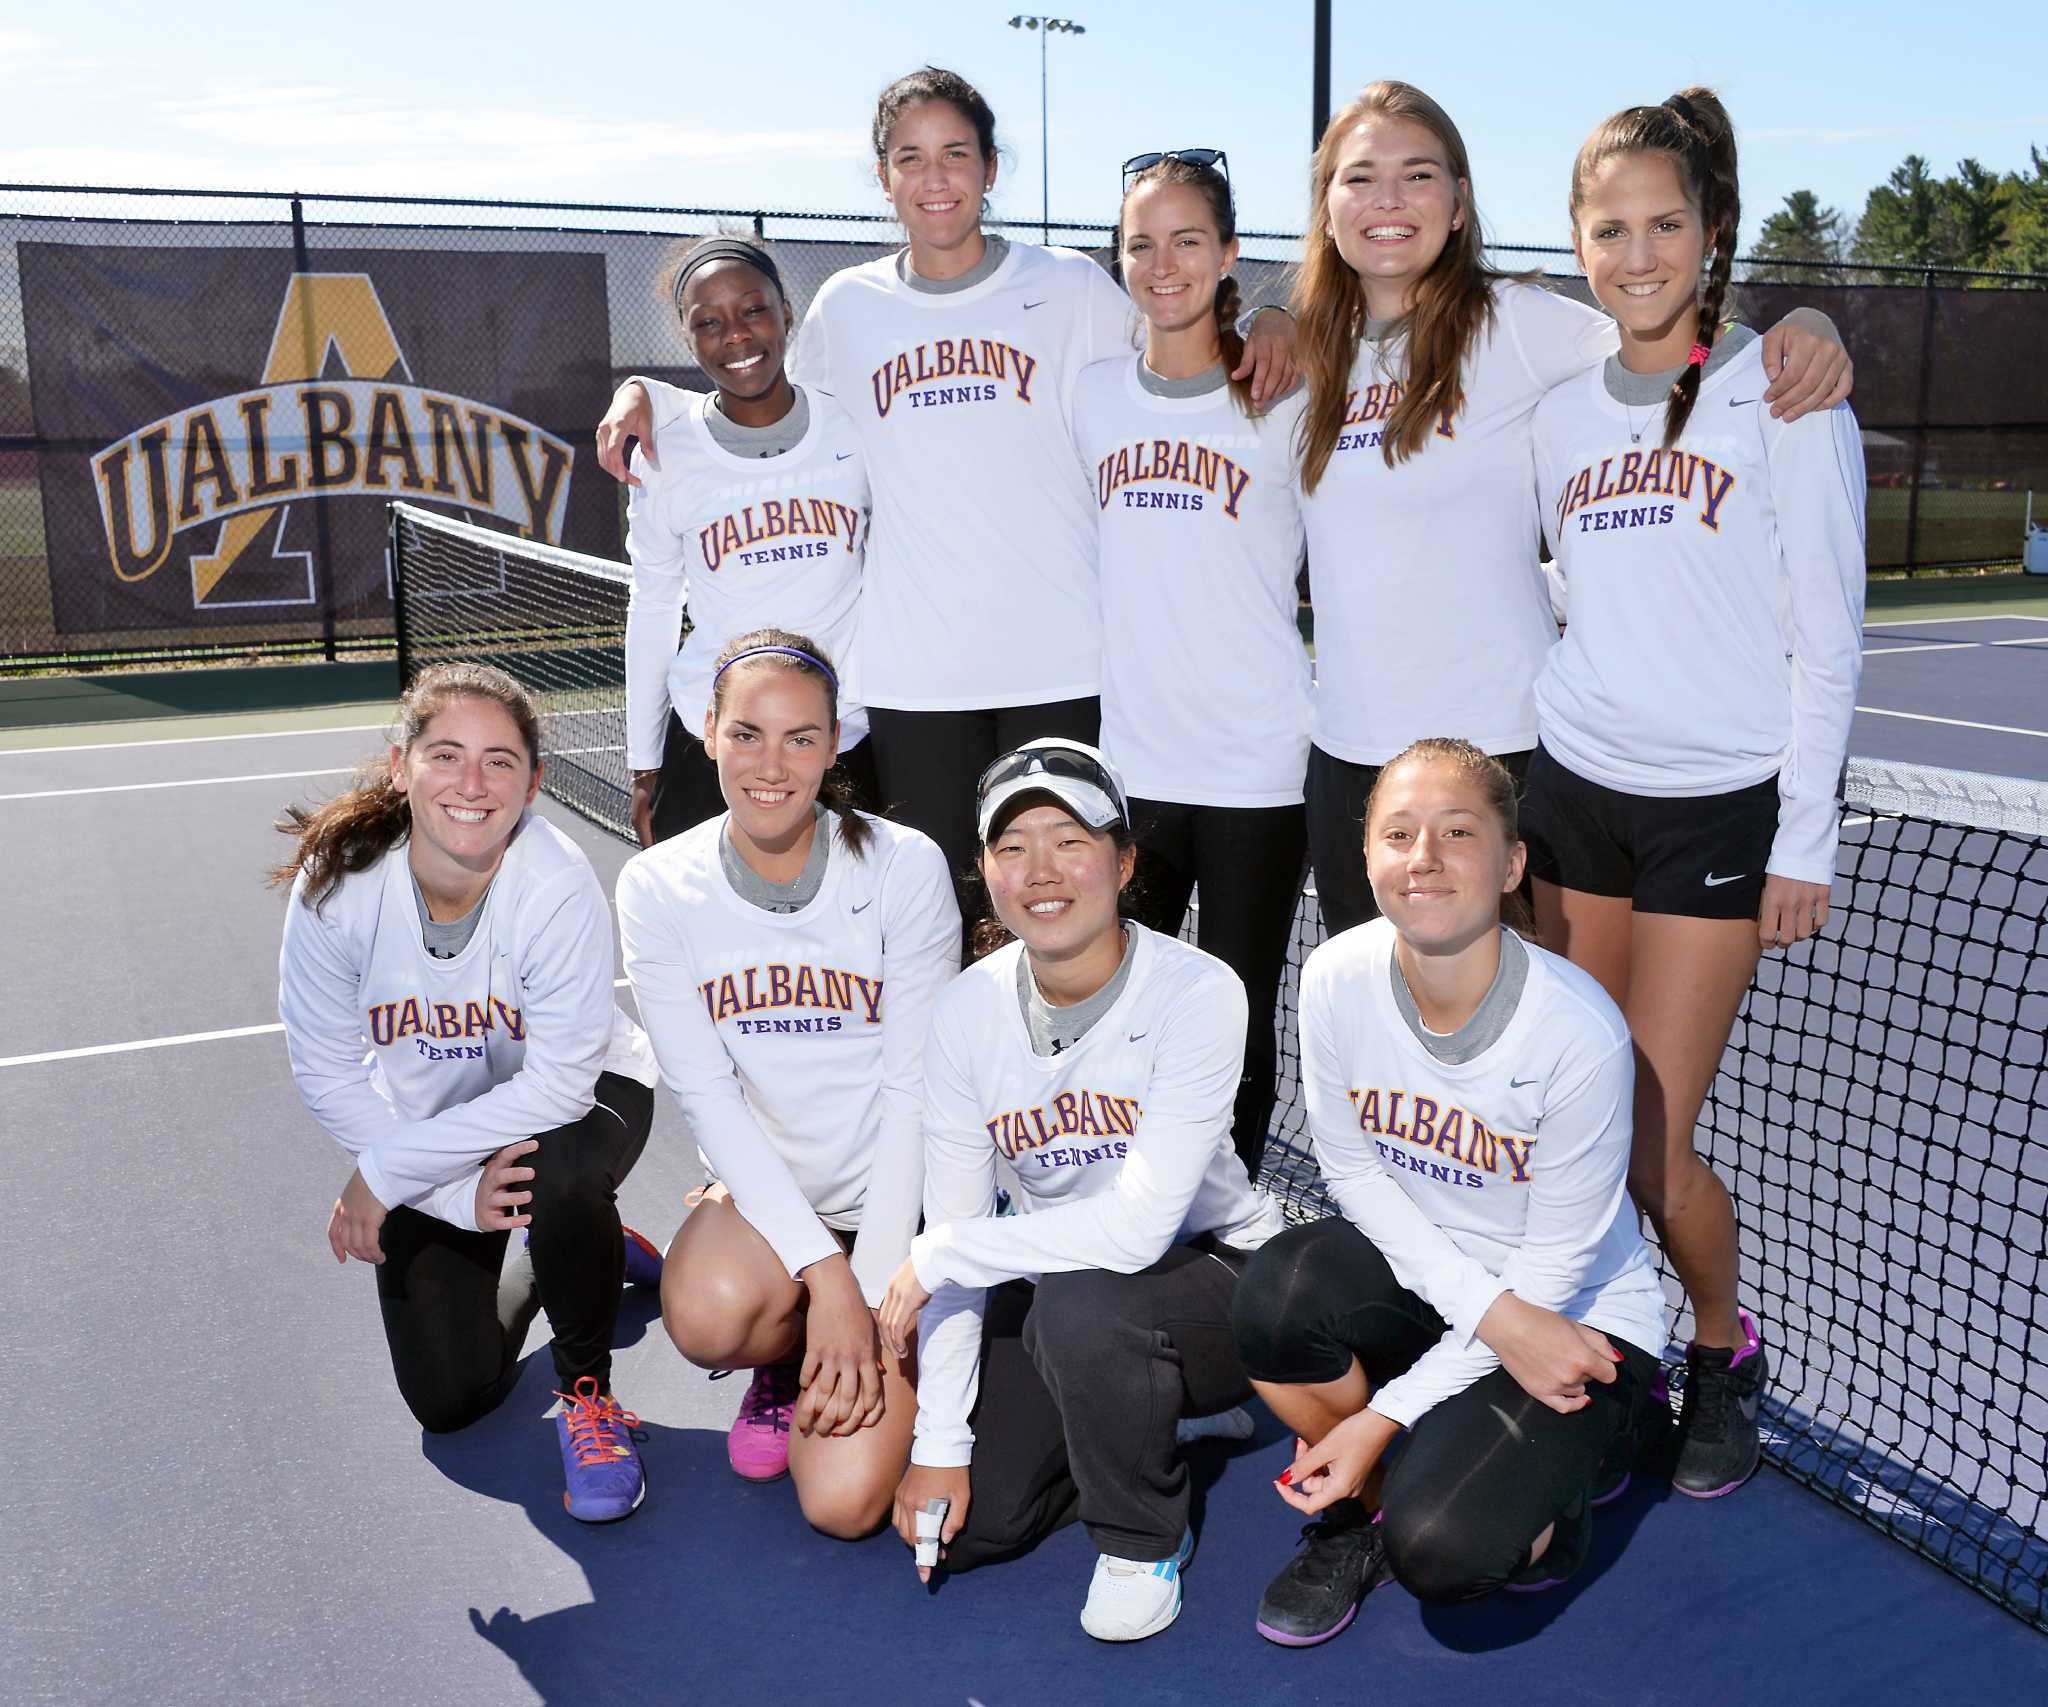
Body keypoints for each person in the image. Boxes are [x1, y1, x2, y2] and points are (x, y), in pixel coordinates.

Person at [596, 68, 1299, 910]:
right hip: (914, 685)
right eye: (910, 158)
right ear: (884, 178)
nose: (936, 179)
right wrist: (653, 395)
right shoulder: (849, 305)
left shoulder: (1071, 286)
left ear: (991, 168)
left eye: (956, 154)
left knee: (1062, 917)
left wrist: (1272, 317)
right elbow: (762, 389)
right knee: (939, 925)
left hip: (1063, 672)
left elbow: (1178, 336)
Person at [1523, 88, 1866, 1497]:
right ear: (1582, 244)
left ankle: (1722, 1346)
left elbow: (1827, 631)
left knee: (1656, 1150)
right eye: (1612, 227)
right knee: (1567, 1128)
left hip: (1717, 818)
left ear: (1713, 236)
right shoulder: (1554, 415)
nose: (1639, 249)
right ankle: (1620, 1363)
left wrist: (1805, 837)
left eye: (1667, 222)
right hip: (1574, 799)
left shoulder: (1783, 392)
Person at [1290, 80, 1853, 935]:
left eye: (1418, 174)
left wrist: (1806, 327)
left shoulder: (1516, 324)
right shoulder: (1302, 354)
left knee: (1519, 1052)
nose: (1390, 201)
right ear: (1326, 206)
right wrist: (1261, 314)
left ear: (1460, 200)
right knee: (1372, 1041)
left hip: (1501, 759)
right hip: (1349, 762)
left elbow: (1669, 334)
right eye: (1360, 177)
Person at [1231, 738, 1668, 1646]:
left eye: (1457, 831)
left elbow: (1551, 1273)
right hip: (1466, 1296)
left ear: (1511, 864)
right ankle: (1367, 1512)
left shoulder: (1578, 1031)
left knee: (1444, 1551)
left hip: (1578, 1319)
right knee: (1275, 1300)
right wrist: (1488, 1326)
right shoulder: (1335, 977)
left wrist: (1387, 1412)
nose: (1423, 855)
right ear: (1366, 858)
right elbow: (1350, 1169)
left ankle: (1592, 1454)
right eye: (1399, 833)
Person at [876, 739, 1284, 1642]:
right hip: (1056, 1272)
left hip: (1217, 1274)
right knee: (980, 1521)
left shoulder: (1198, 990)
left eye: (1071, 839)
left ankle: (1143, 1539)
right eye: (1012, 847)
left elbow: (1136, 1231)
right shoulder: (963, 1013)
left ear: (1126, 860)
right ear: (984, 872)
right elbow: (958, 1226)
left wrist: (944, 1248)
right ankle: (1150, 1415)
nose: (1042, 870)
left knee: (1087, 1311)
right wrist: (940, 1447)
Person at [274, 663, 662, 1522]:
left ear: (535, 780)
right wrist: (446, 1192)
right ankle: (587, 1247)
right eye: (446, 754)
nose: (472, 784)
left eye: (499, 760)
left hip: (584, 1097)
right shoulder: (337, 885)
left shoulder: (555, 883)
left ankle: (588, 1393)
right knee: (450, 1398)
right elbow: (329, 1071)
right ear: (400, 763)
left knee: (560, 1171)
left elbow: (561, 1082)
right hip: (443, 1135)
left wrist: (383, 1174)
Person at [615, 629, 961, 1534]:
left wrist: (876, 1282)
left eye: (801, 737)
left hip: (904, 1196)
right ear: (707, 729)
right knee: (703, 1312)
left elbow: (914, 1089)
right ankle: (792, 1343)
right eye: (748, 734)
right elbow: (708, 1096)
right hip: (778, 1208)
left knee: (843, 1506)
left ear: (838, 740)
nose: (773, 764)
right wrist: (828, 1281)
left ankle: (899, 1337)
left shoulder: (904, 866)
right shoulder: (657, 887)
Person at [1071, 150, 1311, 1182]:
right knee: (1114, 1020)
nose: (1162, 262)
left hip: (1260, 770)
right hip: (1132, 771)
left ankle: (1223, 1244)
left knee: (1237, 1020)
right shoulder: (1087, 397)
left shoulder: (1288, 394)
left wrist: (1289, 321)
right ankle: (1105, 1220)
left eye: (1186, 239)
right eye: (1140, 242)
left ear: (1227, 254)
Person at [624, 235, 875, 847]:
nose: (735, 335)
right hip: (714, 742)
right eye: (709, 322)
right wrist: (644, 758)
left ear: (787, 313)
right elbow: (653, 607)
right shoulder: (665, 451)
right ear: (689, 340)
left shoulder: (856, 425)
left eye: (753, 309)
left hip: (845, 738)